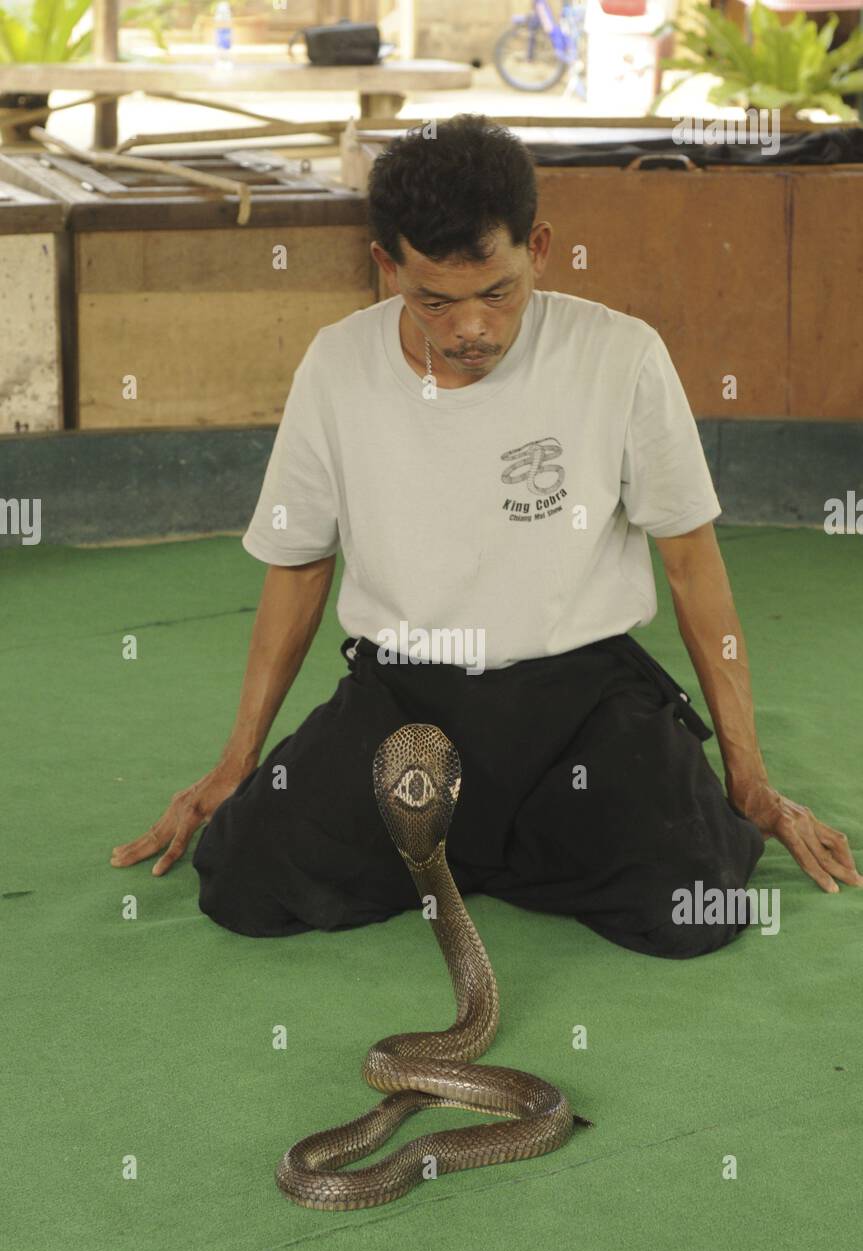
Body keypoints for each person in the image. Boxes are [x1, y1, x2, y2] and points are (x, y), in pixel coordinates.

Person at [110, 113, 861, 956]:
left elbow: (693, 569)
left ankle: (460, 844)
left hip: (580, 697)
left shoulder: (619, 354)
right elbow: (298, 564)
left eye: (497, 292)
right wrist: (236, 761)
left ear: (538, 248)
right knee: (246, 885)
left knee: (691, 908)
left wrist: (749, 781)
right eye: (435, 299)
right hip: (405, 701)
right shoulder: (336, 364)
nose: (472, 328)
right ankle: (500, 843)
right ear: (386, 265)